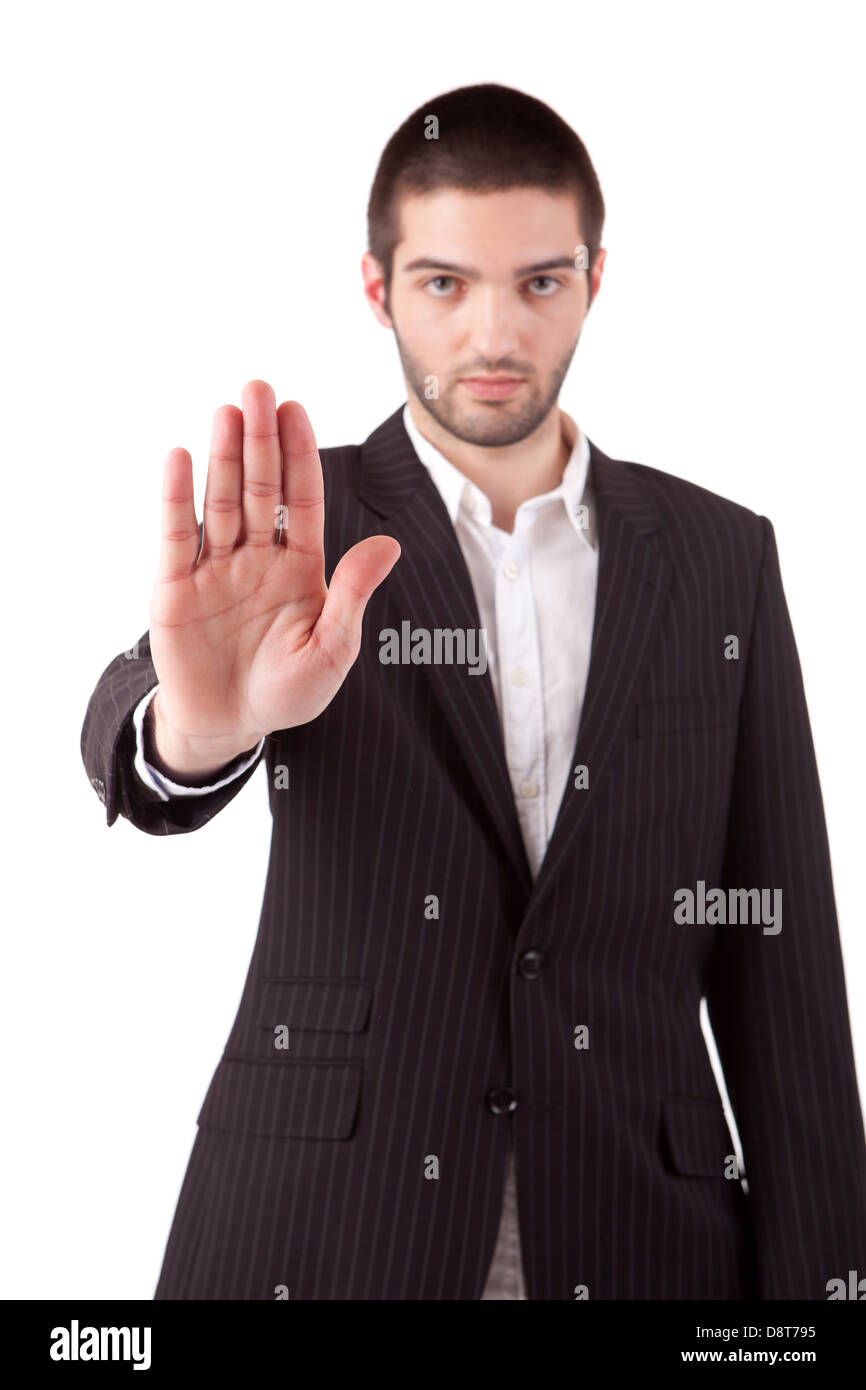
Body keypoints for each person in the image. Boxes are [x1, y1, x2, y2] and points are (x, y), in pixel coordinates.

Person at [81, 82, 866, 1300]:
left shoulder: (721, 557)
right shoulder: (301, 519)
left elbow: (783, 969)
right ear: (376, 288)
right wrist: (202, 728)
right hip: (325, 1228)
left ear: (594, 280)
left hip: (642, 1236)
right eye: (445, 283)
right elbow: (134, 745)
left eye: (538, 282)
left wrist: (824, 1297)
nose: (494, 336)